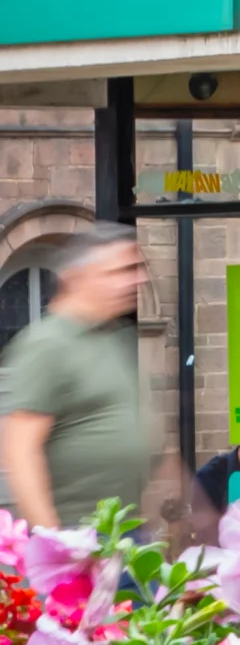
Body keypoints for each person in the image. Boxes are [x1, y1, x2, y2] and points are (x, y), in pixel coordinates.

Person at [0, 225, 155, 532]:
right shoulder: (47, 344)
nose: (138, 280)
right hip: (78, 533)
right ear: (79, 278)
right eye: (122, 270)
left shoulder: (115, 339)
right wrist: (55, 543)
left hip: (124, 532)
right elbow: (20, 451)